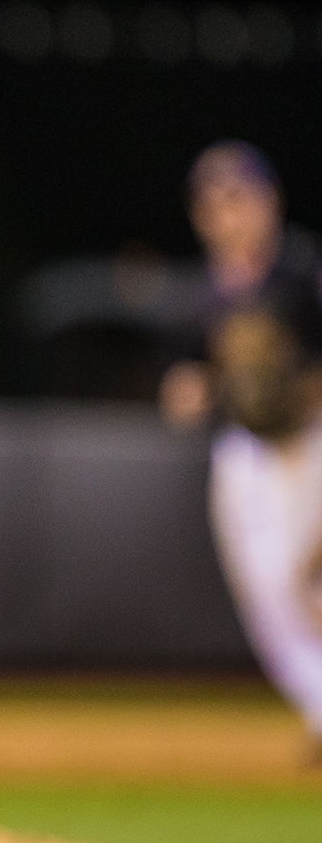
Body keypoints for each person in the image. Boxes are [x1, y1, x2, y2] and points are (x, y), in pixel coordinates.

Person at [159, 142, 322, 751]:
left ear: (269, 202)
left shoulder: (303, 274)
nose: (231, 215)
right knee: (260, 585)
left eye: (241, 199)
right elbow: (182, 375)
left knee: (294, 580)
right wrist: (187, 388)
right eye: (217, 204)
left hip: (307, 444)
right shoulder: (198, 294)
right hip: (241, 451)